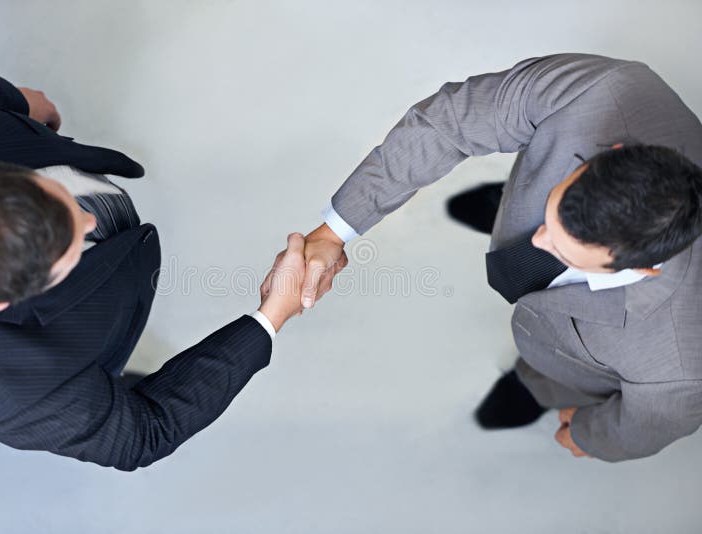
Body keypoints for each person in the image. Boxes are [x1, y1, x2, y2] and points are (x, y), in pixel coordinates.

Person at [0, 62, 335, 470]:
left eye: (54, 196)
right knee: (99, 393)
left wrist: (16, 100)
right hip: (79, 345)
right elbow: (146, 432)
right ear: (3, 302)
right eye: (70, 247)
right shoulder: (14, 393)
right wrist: (272, 314)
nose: (87, 218)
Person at [291, 53, 702, 462]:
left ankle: (534, 386)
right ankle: (508, 203)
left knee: (554, 371)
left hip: (567, 365)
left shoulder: (679, 367)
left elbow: (638, 430)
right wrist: (334, 232)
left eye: (563, 250)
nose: (539, 241)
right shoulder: (601, 88)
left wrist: (586, 434)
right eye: (553, 213)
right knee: (528, 220)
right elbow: (452, 120)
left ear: (643, 269)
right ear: (611, 153)